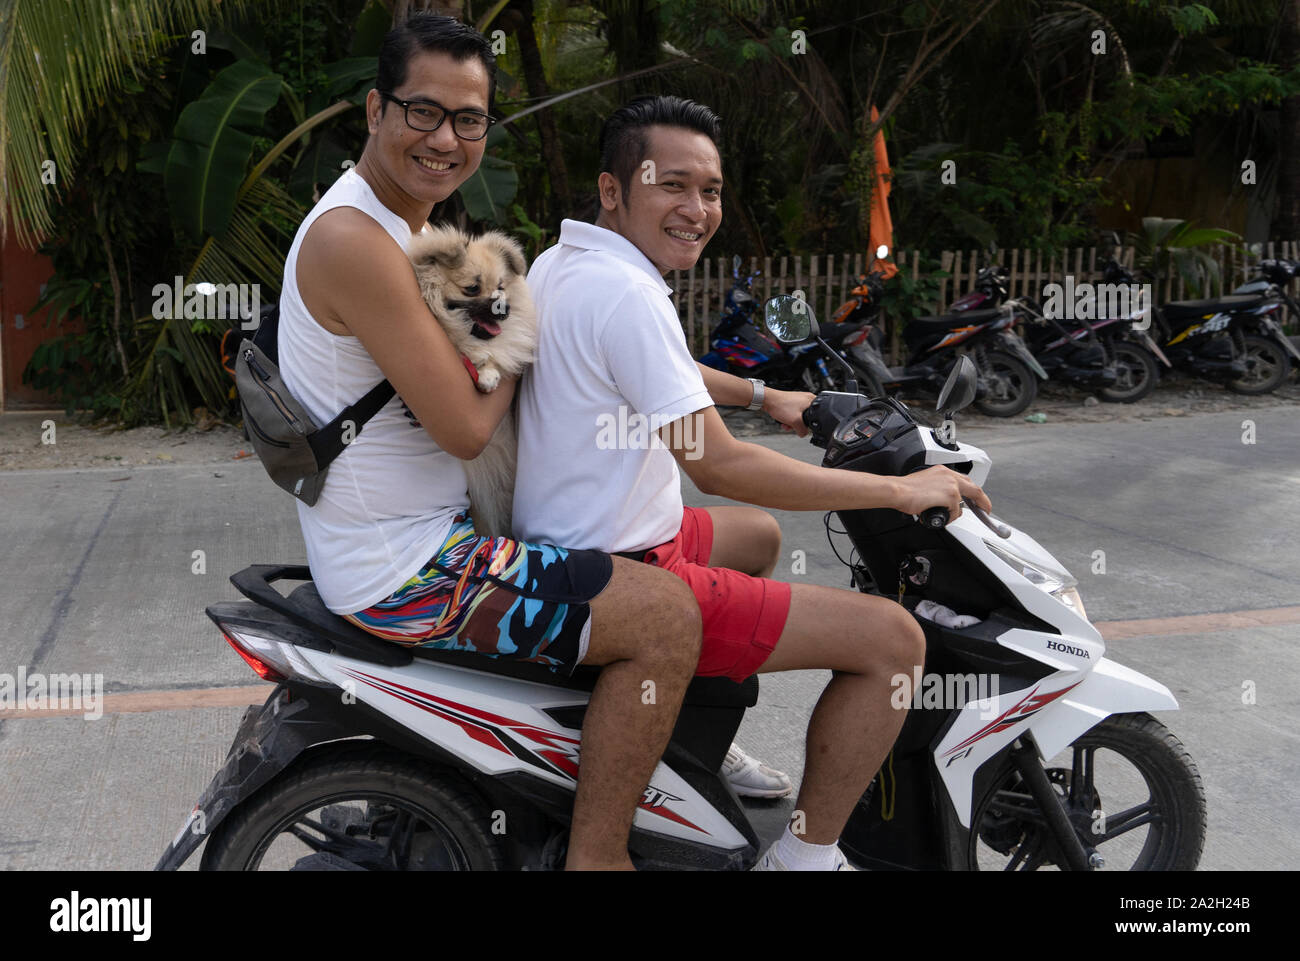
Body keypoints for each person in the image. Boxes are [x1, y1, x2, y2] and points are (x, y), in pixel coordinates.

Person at [514, 94, 992, 870]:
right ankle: (805, 856)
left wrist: (767, 396)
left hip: (576, 538)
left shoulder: (573, 261)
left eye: (709, 190)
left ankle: (692, 741)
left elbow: (662, 368)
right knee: (894, 642)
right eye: (671, 184)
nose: (696, 209)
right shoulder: (627, 291)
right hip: (617, 573)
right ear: (613, 190)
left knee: (756, 535)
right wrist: (900, 491)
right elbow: (720, 464)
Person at [278, 15, 706, 871]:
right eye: (423, 112)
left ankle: (666, 769)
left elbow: (484, 362)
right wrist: (521, 306)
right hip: (406, 569)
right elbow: (470, 423)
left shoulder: (409, 231)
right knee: (666, 617)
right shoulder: (354, 241)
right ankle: (599, 855)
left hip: (420, 534)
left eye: (468, 119)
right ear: (374, 110)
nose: (445, 139)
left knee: (743, 539)